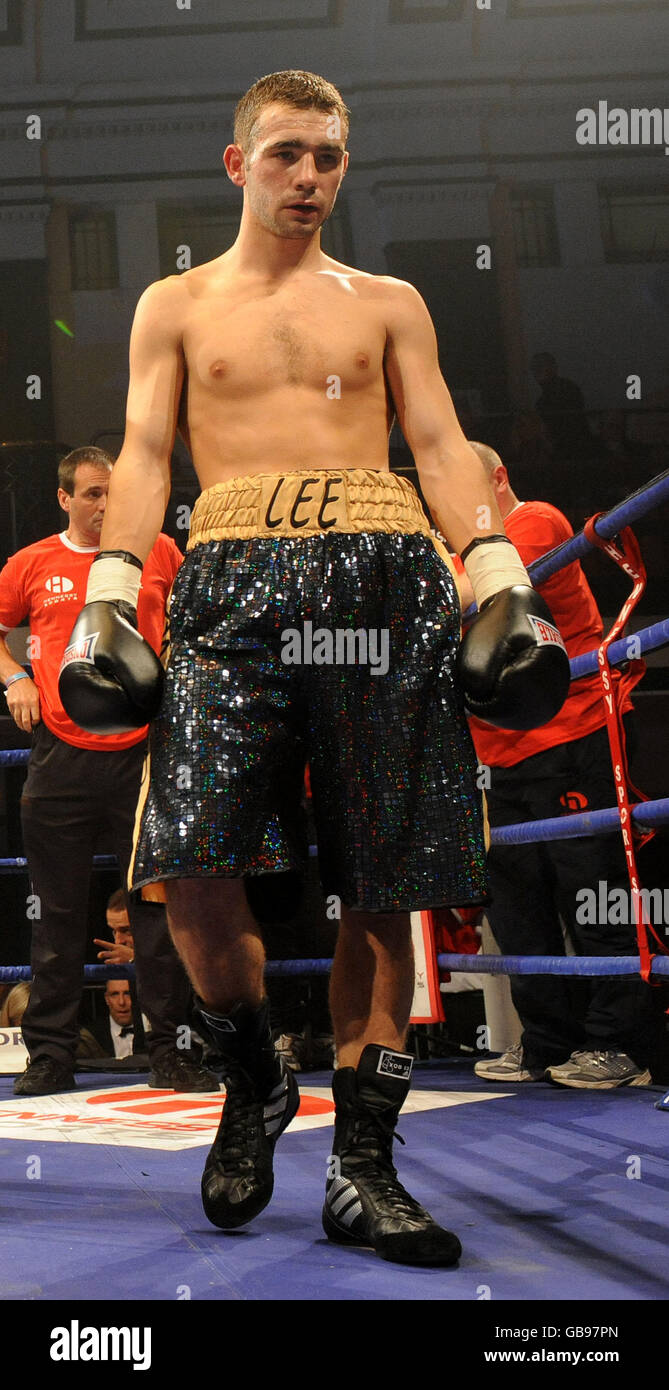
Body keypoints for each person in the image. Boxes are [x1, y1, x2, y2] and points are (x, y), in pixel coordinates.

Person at [59, 71, 568, 1267]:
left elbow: (440, 442)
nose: (309, 178)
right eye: (287, 154)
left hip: (382, 571)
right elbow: (141, 449)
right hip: (232, 577)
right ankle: (252, 1076)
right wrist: (111, 592)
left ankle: (367, 1166)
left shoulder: (389, 301)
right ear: (238, 165)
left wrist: (496, 572)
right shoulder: (174, 304)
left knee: (384, 871)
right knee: (190, 858)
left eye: (329, 158)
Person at [0, 446, 216, 1097]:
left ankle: (170, 1053)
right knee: (57, 918)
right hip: (60, 762)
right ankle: (51, 1058)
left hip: (144, 759)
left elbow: (194, 620)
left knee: (156, 914)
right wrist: (14, 676)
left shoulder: (159, 552)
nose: (103, 505)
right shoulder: (31, 562)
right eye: (92, 494)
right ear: (65, 497)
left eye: (112, 494)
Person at [459, 443, 654, 1088]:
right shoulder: (461, 552)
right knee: (518, 913)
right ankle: (546, 1043)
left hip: (571, 734)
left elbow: (487, 596)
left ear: (498, 476)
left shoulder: (534, 519)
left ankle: (618, 1044)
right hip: (498, 755)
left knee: (591, 892)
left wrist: (424, 575)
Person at [531, 352, 592, 458]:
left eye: (541, 366)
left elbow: (572, 423)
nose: (537, 370)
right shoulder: (542, 401)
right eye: (535, 367)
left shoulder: (568, 390)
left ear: (553, 367)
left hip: (573, 448)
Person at [87, 978, 146, 1060]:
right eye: (114, 994)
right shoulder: (91, 1036)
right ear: (106, 999)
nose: (121, 1002)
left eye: (127, 994)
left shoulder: (152, 1032)